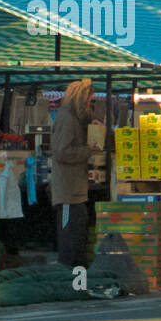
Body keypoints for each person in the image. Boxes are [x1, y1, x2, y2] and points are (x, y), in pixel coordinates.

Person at [50, 78, 96, 268]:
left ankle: (78, 275)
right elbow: (62, 152)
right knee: (69, 236)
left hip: (76, 189)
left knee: (78, 234)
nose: (89, 104)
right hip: (68, 190)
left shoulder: (75, 118)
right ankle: (69, 275)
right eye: (88, 100)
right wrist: (87, 150)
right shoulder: (67, 119)